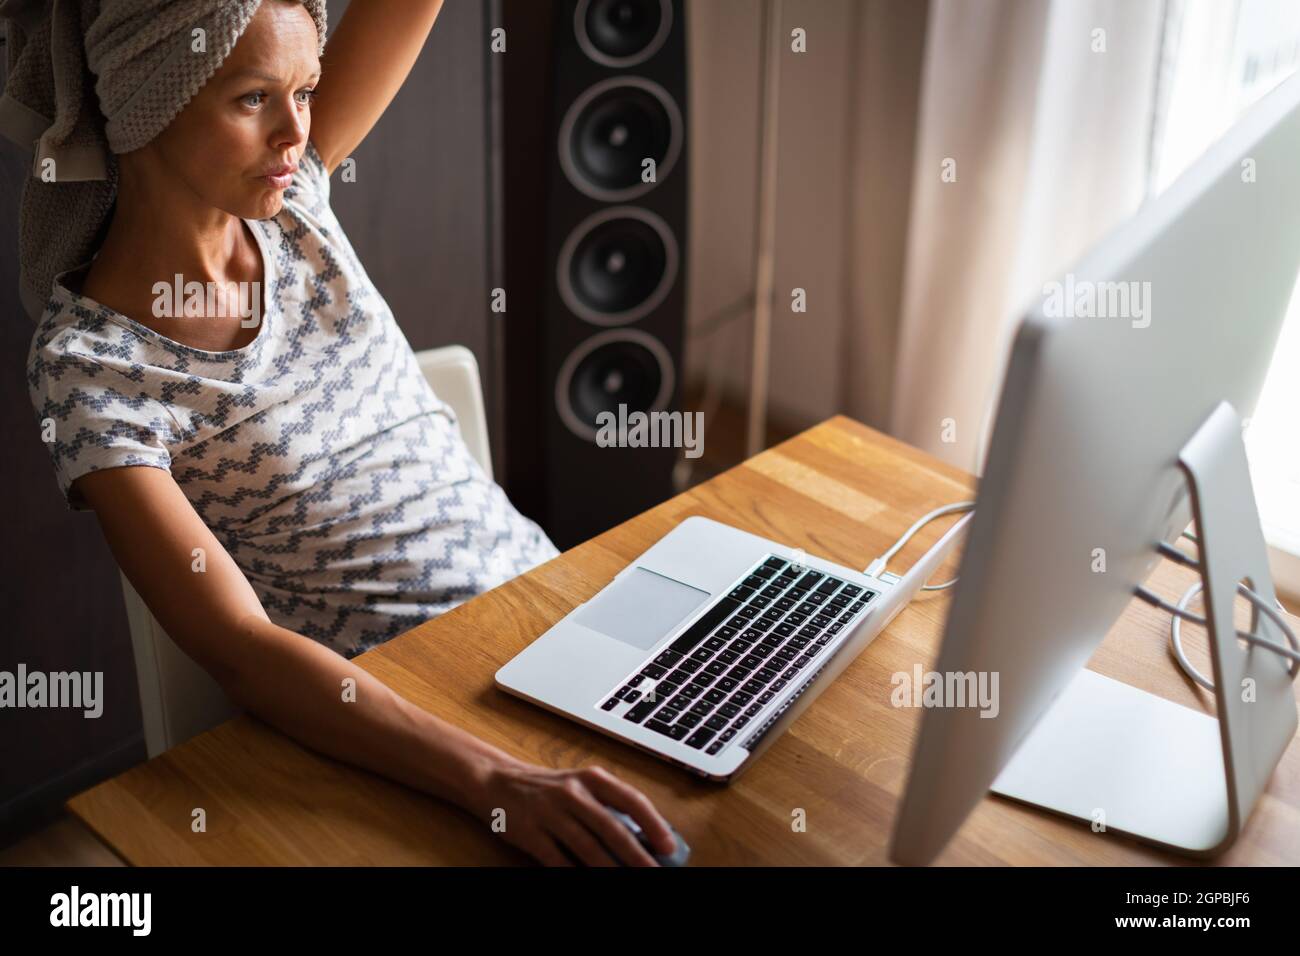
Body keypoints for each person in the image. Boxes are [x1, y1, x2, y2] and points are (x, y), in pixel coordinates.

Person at [9, 0, 675, 866]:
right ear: (148, 102)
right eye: (253, 99)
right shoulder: (91, 369)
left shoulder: (298, 200)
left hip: (554, 608)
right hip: (423, 713)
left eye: (308, 90)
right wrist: (494, 782)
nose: (294, 132)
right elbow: (242, 652)